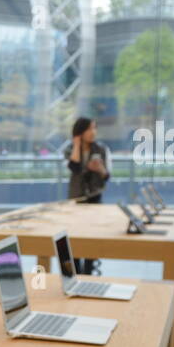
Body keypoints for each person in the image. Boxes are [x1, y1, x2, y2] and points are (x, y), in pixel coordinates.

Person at [64, 117, 110, 274]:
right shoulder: (70, 148)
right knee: (74, 238)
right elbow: (74, 167)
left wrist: (99, 169)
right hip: (76, 199)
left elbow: (106, 176)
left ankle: (89, 273)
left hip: (95, 198)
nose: (93, 132)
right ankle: (74, 274)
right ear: (80, 132)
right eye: (89, 129)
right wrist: (77, 144)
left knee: (91, 239)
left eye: (94, 128)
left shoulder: (101, 149)